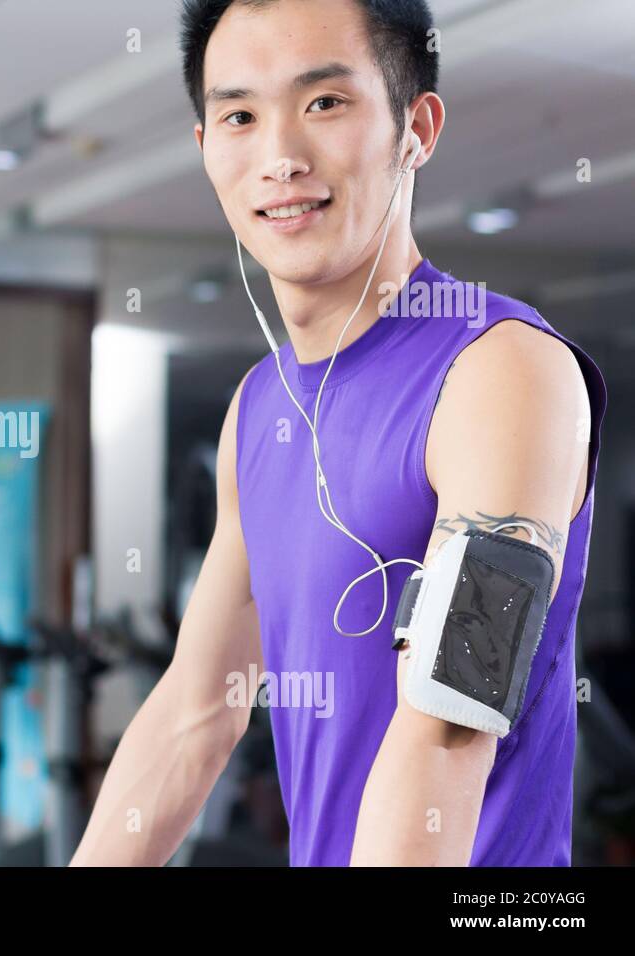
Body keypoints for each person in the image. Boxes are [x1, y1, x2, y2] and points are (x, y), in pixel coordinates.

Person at [72, 0, 607, 866]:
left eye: (325, 102)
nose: (280, 157)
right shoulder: (261, 406)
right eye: (240, 116)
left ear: (416, 127)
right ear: (205, 144)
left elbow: (448, 726)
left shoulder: (504, 372)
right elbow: (198, 711)